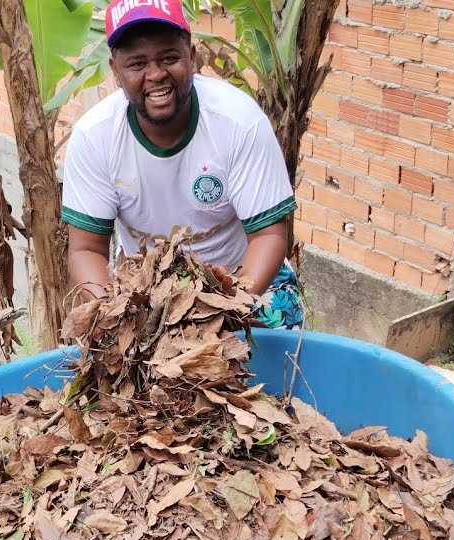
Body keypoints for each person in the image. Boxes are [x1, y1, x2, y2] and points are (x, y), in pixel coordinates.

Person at [60, 0, 304, 328]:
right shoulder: (95, 137)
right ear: (116, 72)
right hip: (144, 296)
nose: (156, 74)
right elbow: (85, 250)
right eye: (136, 63)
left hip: (242, 281)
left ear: (191, 57)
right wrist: (117, 313)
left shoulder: (238, 122)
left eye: (169, 58)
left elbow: (268, 236)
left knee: (280, 362)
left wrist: (225, 313)